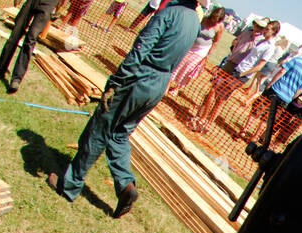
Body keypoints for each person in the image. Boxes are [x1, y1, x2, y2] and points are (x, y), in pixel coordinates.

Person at [48, 0, 200, 218]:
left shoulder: (168, 14)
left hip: (139, 77)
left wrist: (117, 82)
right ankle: (126, 186)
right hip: (159, 84)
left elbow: (141, 48)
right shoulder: (194, 21)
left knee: (99, 128)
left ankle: (69, 185)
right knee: (119, 135)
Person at [189, 19, 278, 133]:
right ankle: (202, 118)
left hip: (240, 73)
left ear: (273, 31)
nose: (263, 29)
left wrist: (242, 74)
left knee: (220, 97)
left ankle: (206, 123)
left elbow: (258, 65)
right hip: (234, 67)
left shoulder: (267, 45)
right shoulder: (260, 40)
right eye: (260, 26)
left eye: (266, 28)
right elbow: (237, 44)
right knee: (215, 91)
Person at [0, 0, 60, 94]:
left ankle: (16, 80)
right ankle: (0, 70)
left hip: (48, 4)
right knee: (16, 33)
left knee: (30, 39)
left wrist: (59, 9)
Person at [169, 4, 224, 94]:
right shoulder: (204, 19)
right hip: (191, 44)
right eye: (214, 17)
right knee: (179, 63)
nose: (214, 20)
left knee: (189, 69)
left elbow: (216, 42)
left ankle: (177, 88)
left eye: (217, 19)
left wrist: (208, 55)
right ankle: (169, 82)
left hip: (202, 51)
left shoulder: (220, 26)